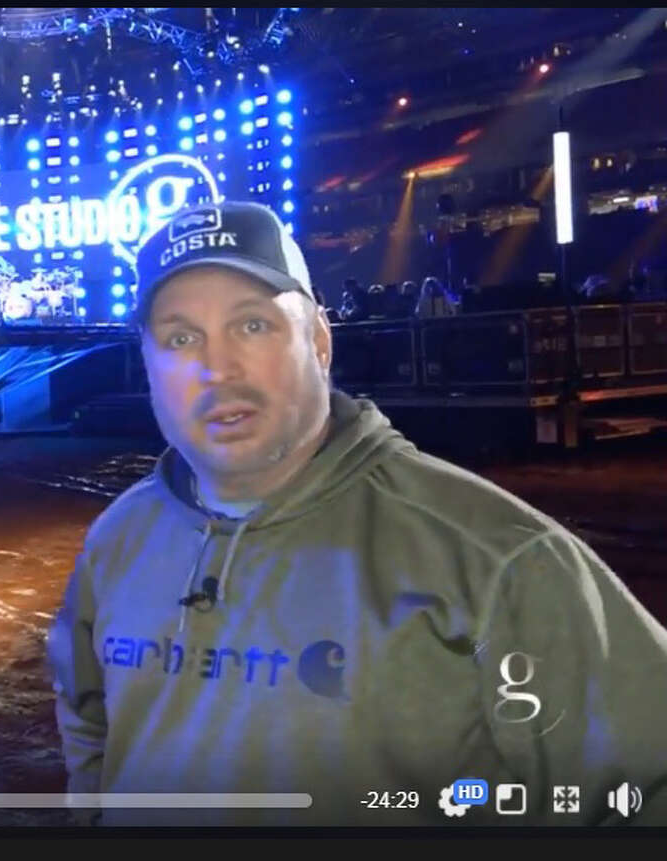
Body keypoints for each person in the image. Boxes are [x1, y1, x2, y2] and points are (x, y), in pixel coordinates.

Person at [45, 200, 667, 827]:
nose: (217, 367)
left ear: (318, 339)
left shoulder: (494, 558)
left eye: (253, 326)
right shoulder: (119, 539)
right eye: (182, 338)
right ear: (148, 366)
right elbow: (88, 719)